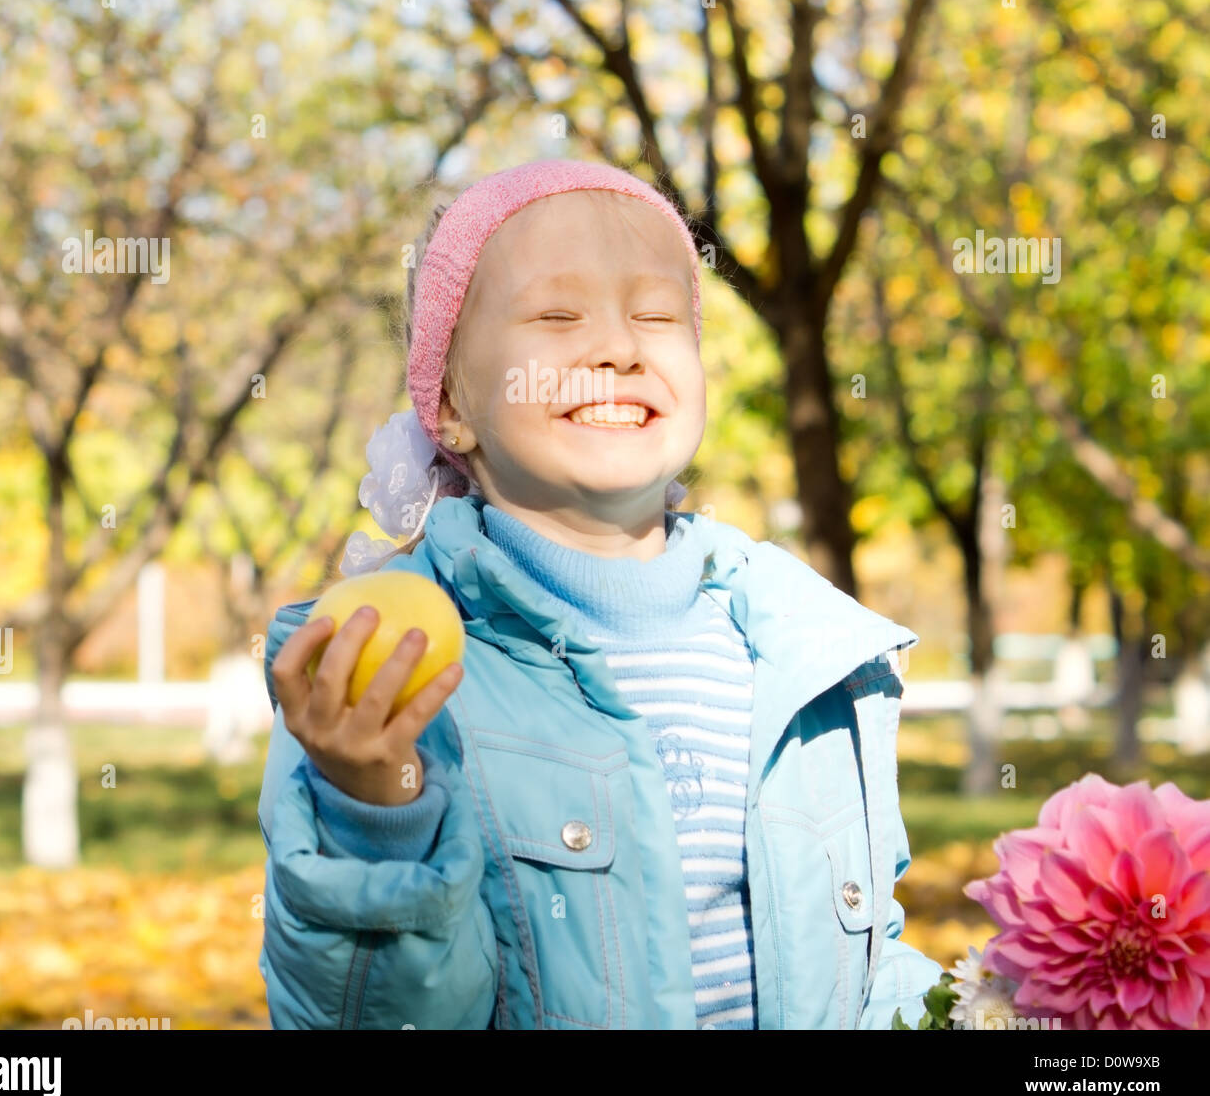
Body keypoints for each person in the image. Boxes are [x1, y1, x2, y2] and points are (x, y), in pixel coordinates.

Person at [256, 157, 944, 1029]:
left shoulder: (803, 656)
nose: (620, 347)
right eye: (557, 314)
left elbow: (869, 970)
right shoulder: (387, 669)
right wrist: (373, 815)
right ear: (453, 405)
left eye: (657, 316)